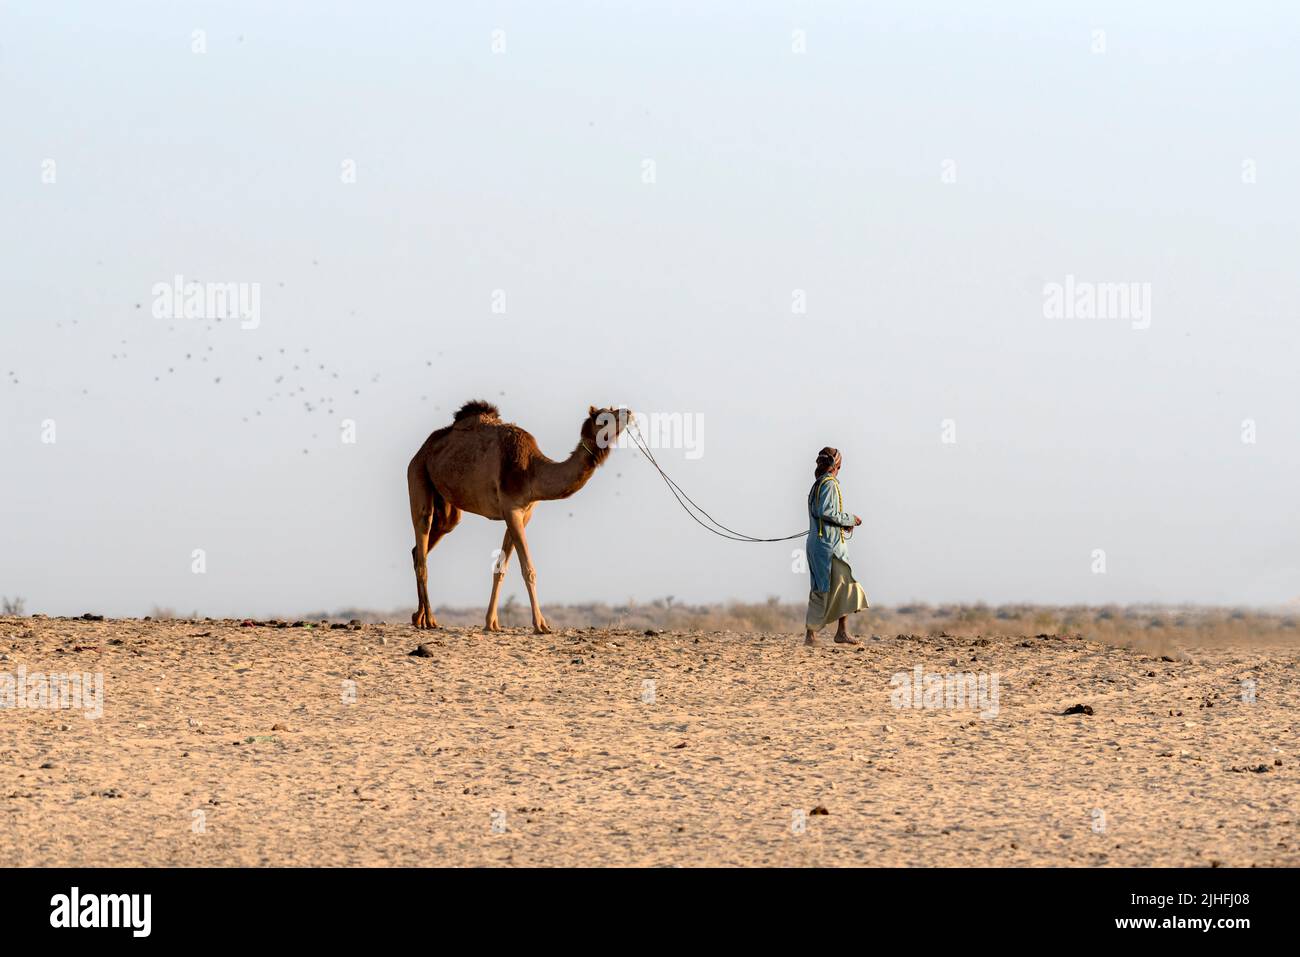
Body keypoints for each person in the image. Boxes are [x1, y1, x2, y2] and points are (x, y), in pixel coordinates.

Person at [804, 447, 868, 646]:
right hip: (829, 546)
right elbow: (827, 512)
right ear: (837, 466)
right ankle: (838, 632)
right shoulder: (830, 484)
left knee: (820, 589)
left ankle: (813, 636)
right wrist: (850, 519)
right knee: (846, 585)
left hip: (816, 544)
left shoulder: (817, 484)